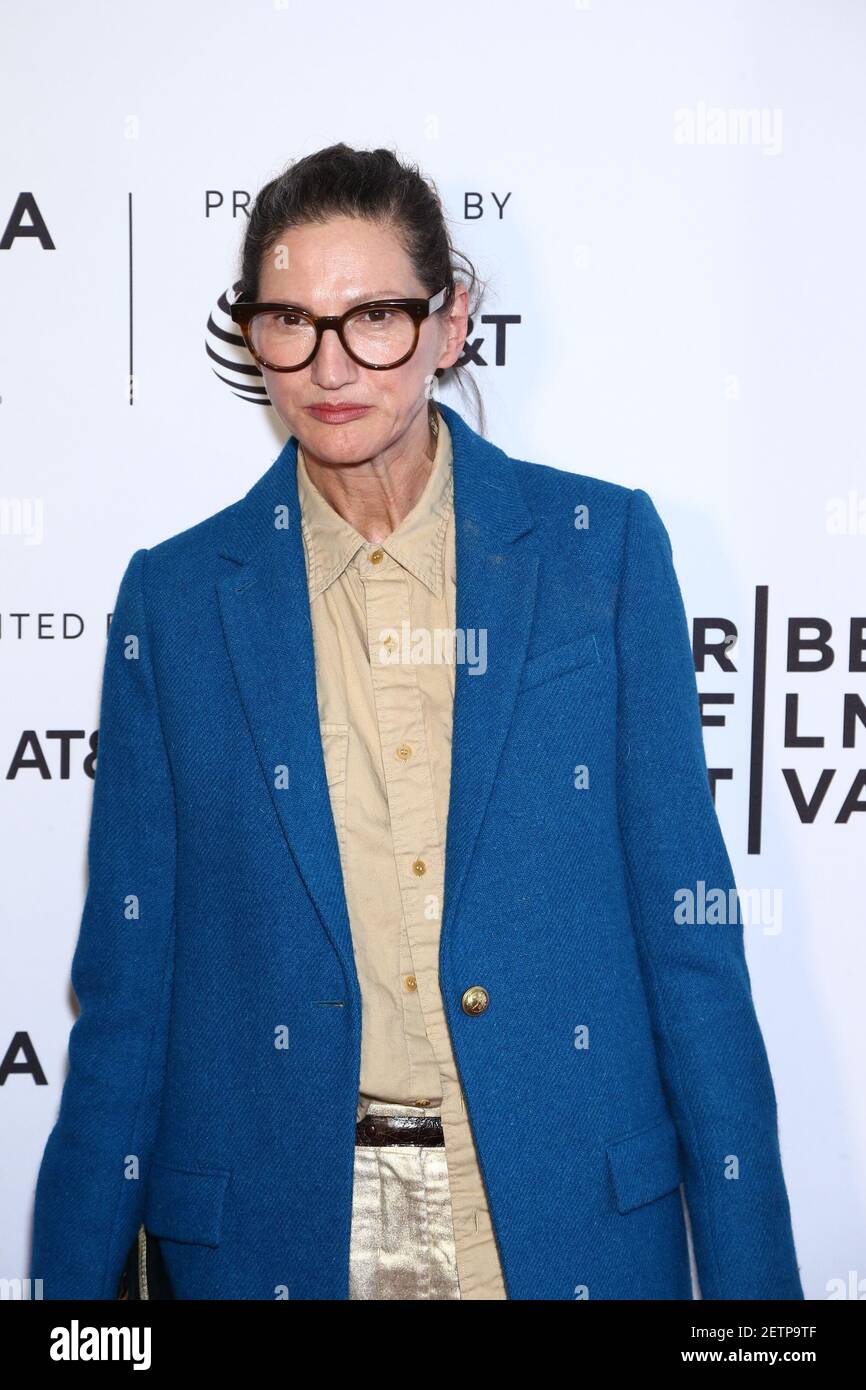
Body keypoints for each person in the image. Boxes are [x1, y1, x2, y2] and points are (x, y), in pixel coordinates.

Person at [30, 143, 804, 1300]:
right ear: (252, 336)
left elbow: (689, 952)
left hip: (555, 1220)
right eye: (289, 320)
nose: (330, 365)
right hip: (283, 1236)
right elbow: (130, 997)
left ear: (450, 322)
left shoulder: (600, 554)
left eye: (375, 316)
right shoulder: (179, 600)